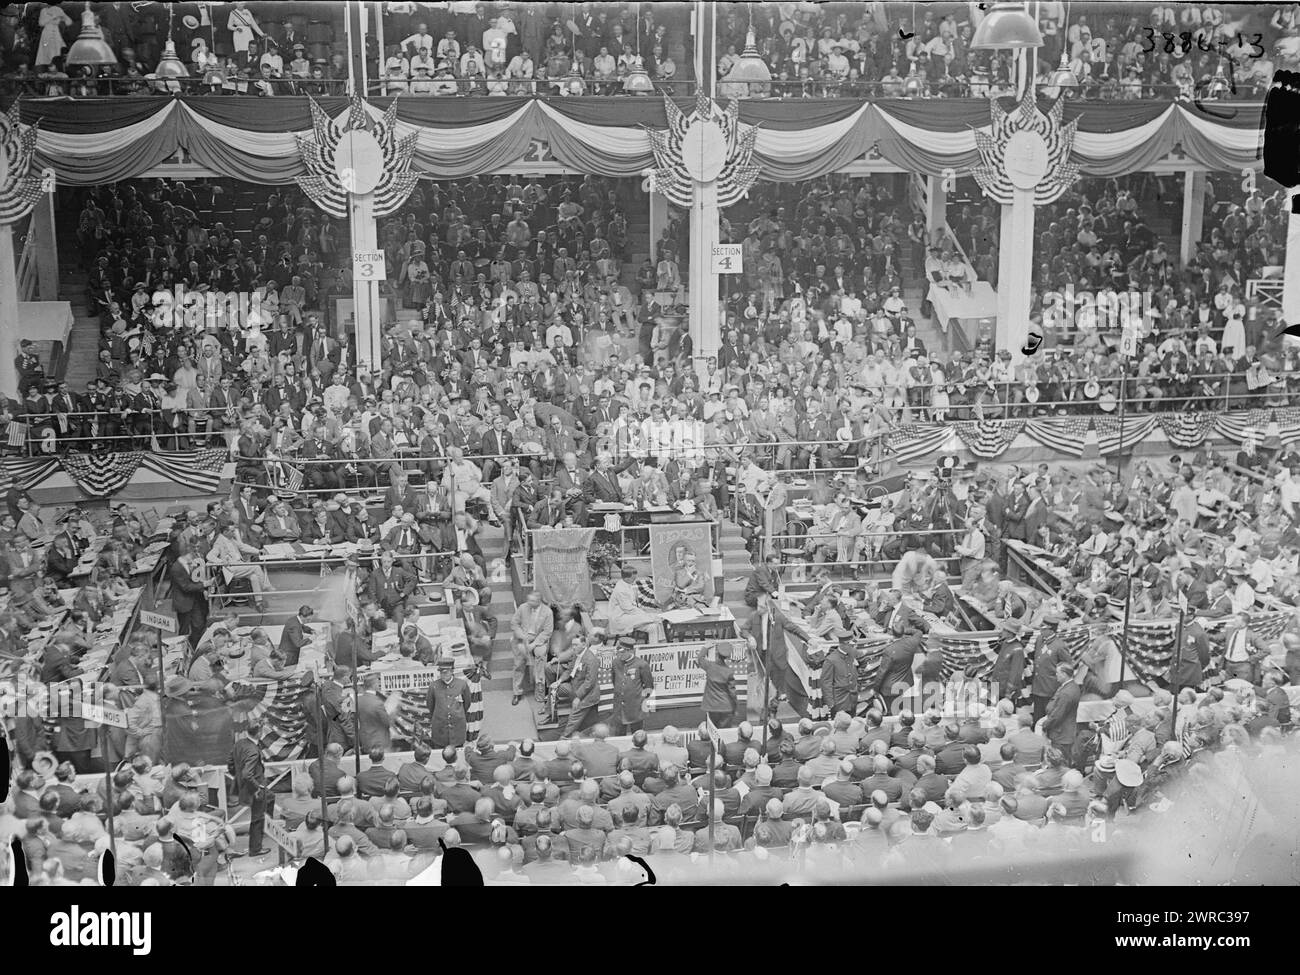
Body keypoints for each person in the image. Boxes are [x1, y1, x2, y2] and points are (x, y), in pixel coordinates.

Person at [230, 719, 270, 858]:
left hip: (245, 786)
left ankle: (266, 829)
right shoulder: (253, 750)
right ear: (259, 733)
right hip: (255, 789)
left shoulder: (239, 743)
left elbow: (230, 763)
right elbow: (247, 774)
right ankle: (255, 849)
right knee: (257, 818)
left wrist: (239, 779)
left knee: (270, 798)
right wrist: (257, 787)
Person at [609, 636, 655, 735]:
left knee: (638, 734)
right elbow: (614, 680)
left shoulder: (641, 664)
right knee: (618, 735)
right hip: (619, 707)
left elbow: (649, 687)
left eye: (622, 652)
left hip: (636, 708)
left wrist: (638, 699)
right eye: (618, 652)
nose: (619, 655)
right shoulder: (616, 662)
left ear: (630, 651)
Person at [426, 656, 472, 750]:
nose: (443, 675)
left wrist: (458, 713)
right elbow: (430, 705)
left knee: (457, 752)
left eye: (446, 672)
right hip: (440, 728)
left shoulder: (462, 684)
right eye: (441, 672)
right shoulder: (433, 686)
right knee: (439, 751)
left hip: (457, 727)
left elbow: (467, 703)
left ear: (452, 671)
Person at [696, 642, 738, 729]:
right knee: (724, 733)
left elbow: (700, 659)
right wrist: (735, 708)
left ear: (717, 653)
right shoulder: (729, 672)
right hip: (726, 708)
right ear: (728, 657)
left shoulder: (709, 666)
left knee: (711, 732)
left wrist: (705, 647)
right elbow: (732, 693)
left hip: (711, 707)